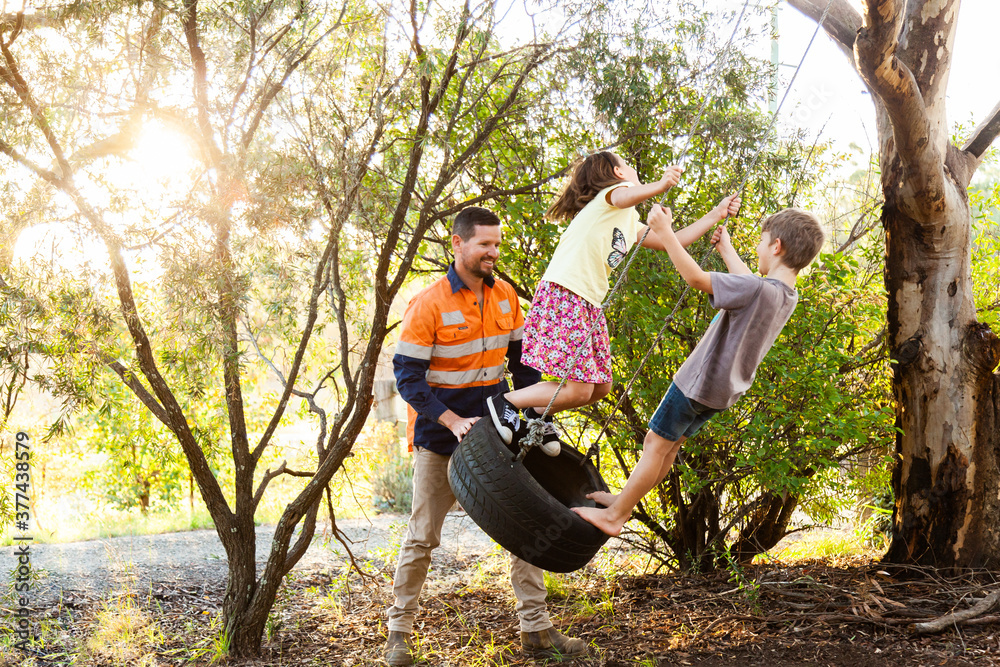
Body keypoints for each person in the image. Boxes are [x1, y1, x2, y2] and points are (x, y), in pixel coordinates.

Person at [385, 206, 588, 666]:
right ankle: (398, 635)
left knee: (529, 523)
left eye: (497, 244)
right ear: (457, 244)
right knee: (422, 536)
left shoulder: (507, 295)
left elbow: (522, 364)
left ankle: (536, 631)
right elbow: (408, 377)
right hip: (441, 438)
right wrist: (451, 421)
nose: (493, 253)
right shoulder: (429, 302)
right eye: (484, 245)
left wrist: (535, 411)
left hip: (499, 432)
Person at [573, 204, 825, 537]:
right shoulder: (785, 294)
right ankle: (624, 502)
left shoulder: (757, 289)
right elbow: (747, 283)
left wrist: (665, 231)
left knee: (655, 444)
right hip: (720, 392)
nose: (758, 248)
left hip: (696, 382)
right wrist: (726, 248)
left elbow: (695, 278)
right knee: (668, 447)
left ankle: (616, 515)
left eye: (762, 242)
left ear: (776, 246)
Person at [488, 151, 740, 454]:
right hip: (567, 292)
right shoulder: (610, 197)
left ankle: (536, 413)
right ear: (617, 173)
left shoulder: (627, 218)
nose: (634, 169)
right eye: (629, 165)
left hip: (588, 303)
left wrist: (716, 213)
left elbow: (669, 240)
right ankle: (505, 401)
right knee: (579, 387)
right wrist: (660, 185)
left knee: (600, 387)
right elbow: (624, 197)